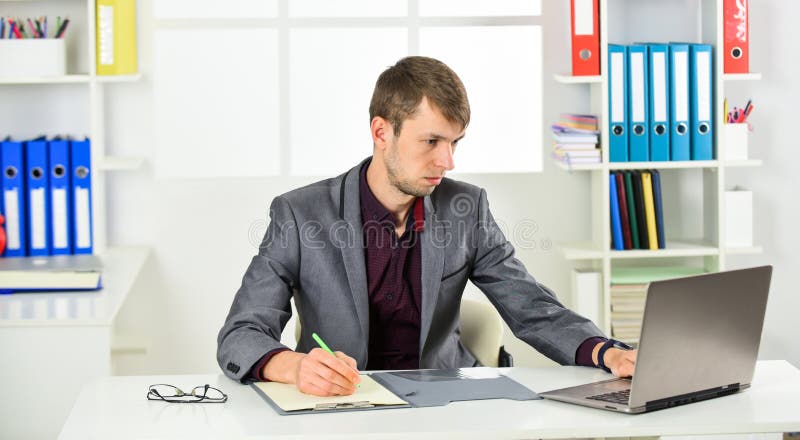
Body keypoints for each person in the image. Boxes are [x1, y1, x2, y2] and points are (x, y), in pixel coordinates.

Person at [217, 56, 637, 397]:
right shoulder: (300, 214)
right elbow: (241, 332)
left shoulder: (466, 209)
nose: (447, 161)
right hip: (341, 405)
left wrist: (607, 353)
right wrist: (294, 367)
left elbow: (531, 307)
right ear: (381, 131)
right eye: (432, 141)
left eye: (455, 143)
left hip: (445, 402)